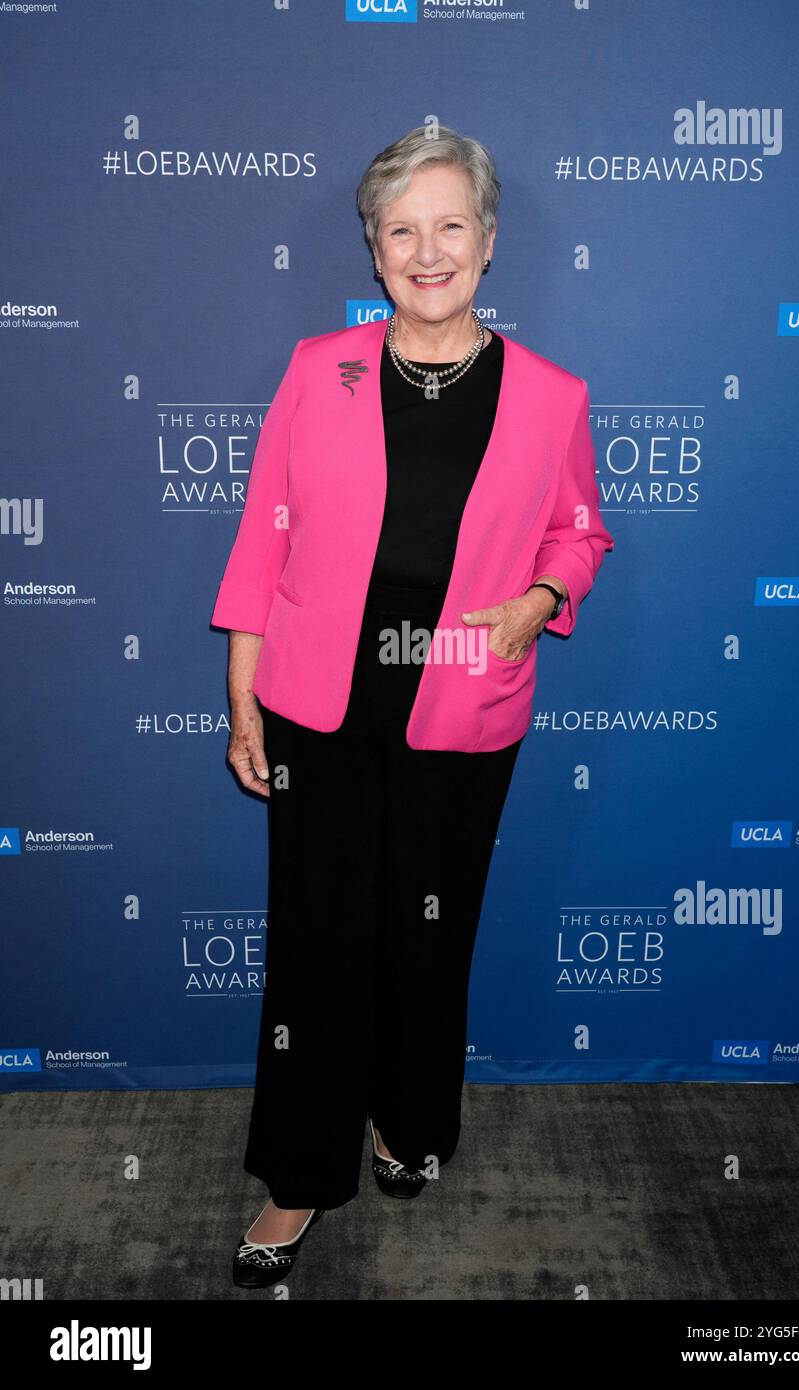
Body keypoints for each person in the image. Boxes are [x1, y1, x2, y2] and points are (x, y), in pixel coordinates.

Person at [211, 124, 615, 1289]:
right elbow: (260, 539)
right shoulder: (315, 369)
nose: (425, 250)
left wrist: (540, 599)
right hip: (317, 701)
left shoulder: (550, 397)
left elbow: (578, 530)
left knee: (429, 934)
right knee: (318, 943)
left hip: (461, 696)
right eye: (402, 229)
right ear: (374, 249)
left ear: (487, 245)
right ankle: (296, 1179)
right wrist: (242, 695)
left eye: (450, 226)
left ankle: (406, 1122)